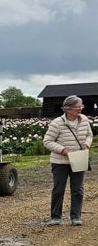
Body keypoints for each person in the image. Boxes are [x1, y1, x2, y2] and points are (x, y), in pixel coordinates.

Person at [43, 94, 92, 226]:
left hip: (79, 160)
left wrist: (87, 144)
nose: (80, 109)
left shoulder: (84, 120)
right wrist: (62, 150)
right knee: (58, 189)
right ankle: (55, 217)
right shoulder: (57, 123)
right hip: (60, 162)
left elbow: (89, 135)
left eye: (80, 106)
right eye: (77, 107)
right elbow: (47, 141)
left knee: (78, 190)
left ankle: (76, 216)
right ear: (68, 109)